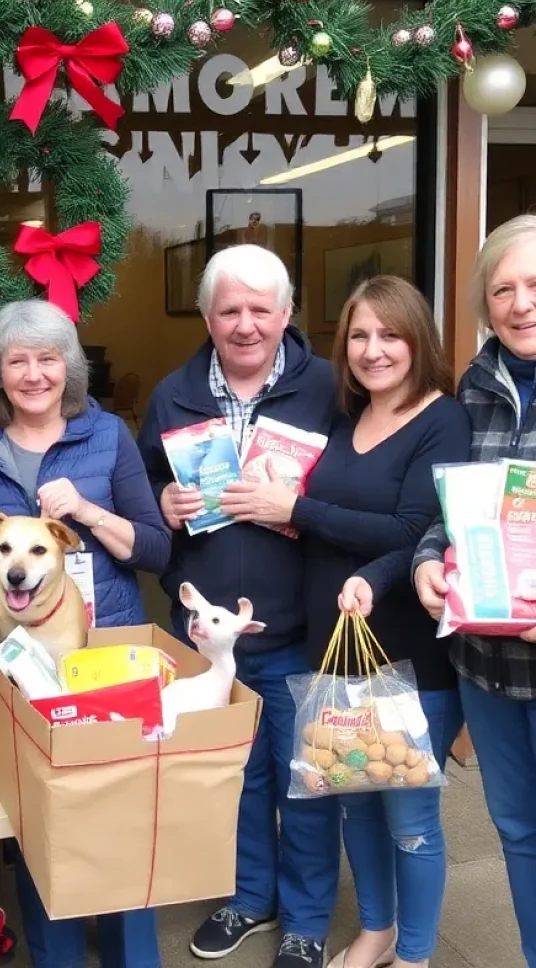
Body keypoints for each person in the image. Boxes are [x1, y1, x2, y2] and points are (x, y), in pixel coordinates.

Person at [223, 276, 471, 968]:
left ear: (417, 337)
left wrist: (295, 512)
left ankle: (416, 953)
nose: (373, 350)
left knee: (410, 816)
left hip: (408, 653)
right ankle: (376, 931)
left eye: (389, 334)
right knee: (354, 801)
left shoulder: (441, 418)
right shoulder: (344, 418)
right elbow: (321, 512)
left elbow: (414, 528)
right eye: (359, 335)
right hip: (333, 649)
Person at [137, 244, 339, 968]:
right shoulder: (173, 392)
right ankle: (252, 896)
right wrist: (160, 503)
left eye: (261, 309)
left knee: (306, 779)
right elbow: (144, 489)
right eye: (230, 310)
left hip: (298, 628)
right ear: (208, 316)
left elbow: (361, 493)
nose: (246, 324)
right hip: (209, 635)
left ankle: (307, 919)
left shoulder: (330, 388)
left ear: (288, 313)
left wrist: (301, 506)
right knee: (237, 777)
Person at [0, 298, 170, 968]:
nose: (33, 373)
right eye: (17, 359)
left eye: (48, 358)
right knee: (41, 817)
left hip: (101, 649)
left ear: (69, 367)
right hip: (19, 663)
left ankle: (131, 959)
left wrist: (85, 511)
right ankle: (54, 954)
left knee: (119, 813)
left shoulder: (107, 435)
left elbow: (154, 548)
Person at [413, 214, 536, 968]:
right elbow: (450, 506)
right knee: (518, 831)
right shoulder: (476, 384)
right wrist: (431, 557)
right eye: (504, 289)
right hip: (489, 666)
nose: (522, 303)